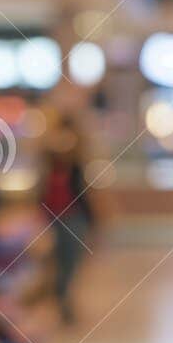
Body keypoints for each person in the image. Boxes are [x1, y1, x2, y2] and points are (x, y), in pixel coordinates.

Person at [39, 110, 98, 326]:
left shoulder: (75, 157)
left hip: (71, 215)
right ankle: (61, 299)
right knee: (63, 261)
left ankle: (63, 298)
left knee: (70, 261)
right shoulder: (51, 156)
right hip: (58, 217)